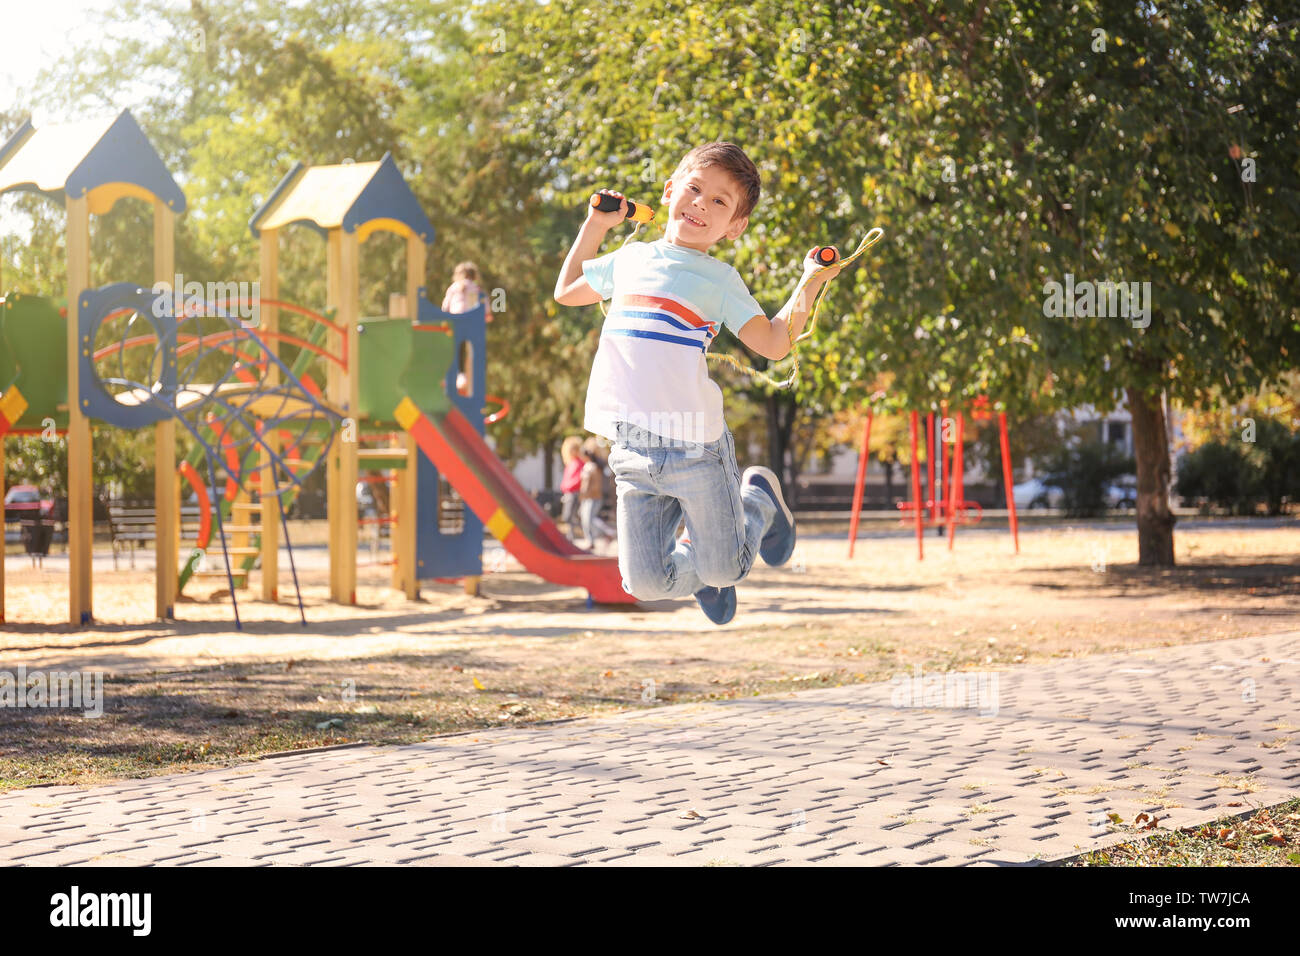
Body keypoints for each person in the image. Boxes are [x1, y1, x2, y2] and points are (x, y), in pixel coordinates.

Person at [552, 142, 845, 624]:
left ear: (734, 227)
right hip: (631, 450)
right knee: (643, 583)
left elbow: (773, 343)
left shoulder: (720, 279)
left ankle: (757, 500)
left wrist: (810, 280)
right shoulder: (630, 259)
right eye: (694, 189)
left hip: (694, 447)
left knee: (727, 567)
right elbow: (566, 291)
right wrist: (596, 225)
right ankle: (703, 571)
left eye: (719, 201)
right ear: (670, 191)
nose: (700, 205)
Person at [578, 438, 616, 548]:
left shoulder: (598, 465)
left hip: (595, 496)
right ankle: (591, 540)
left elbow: (601, 477)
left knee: (589, 518)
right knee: (585, 518)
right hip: (587, 496)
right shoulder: (588, 465)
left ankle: (607, 533)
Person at [559, 435, 584, 540]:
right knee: (567, 515)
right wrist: (564, 486)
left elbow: (579, 478)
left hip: (574, 492)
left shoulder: (579, 463)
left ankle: (573, 534)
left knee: (570, 515)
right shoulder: (571, 464)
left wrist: (568, 486)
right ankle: (571, 534)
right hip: (569, 492)